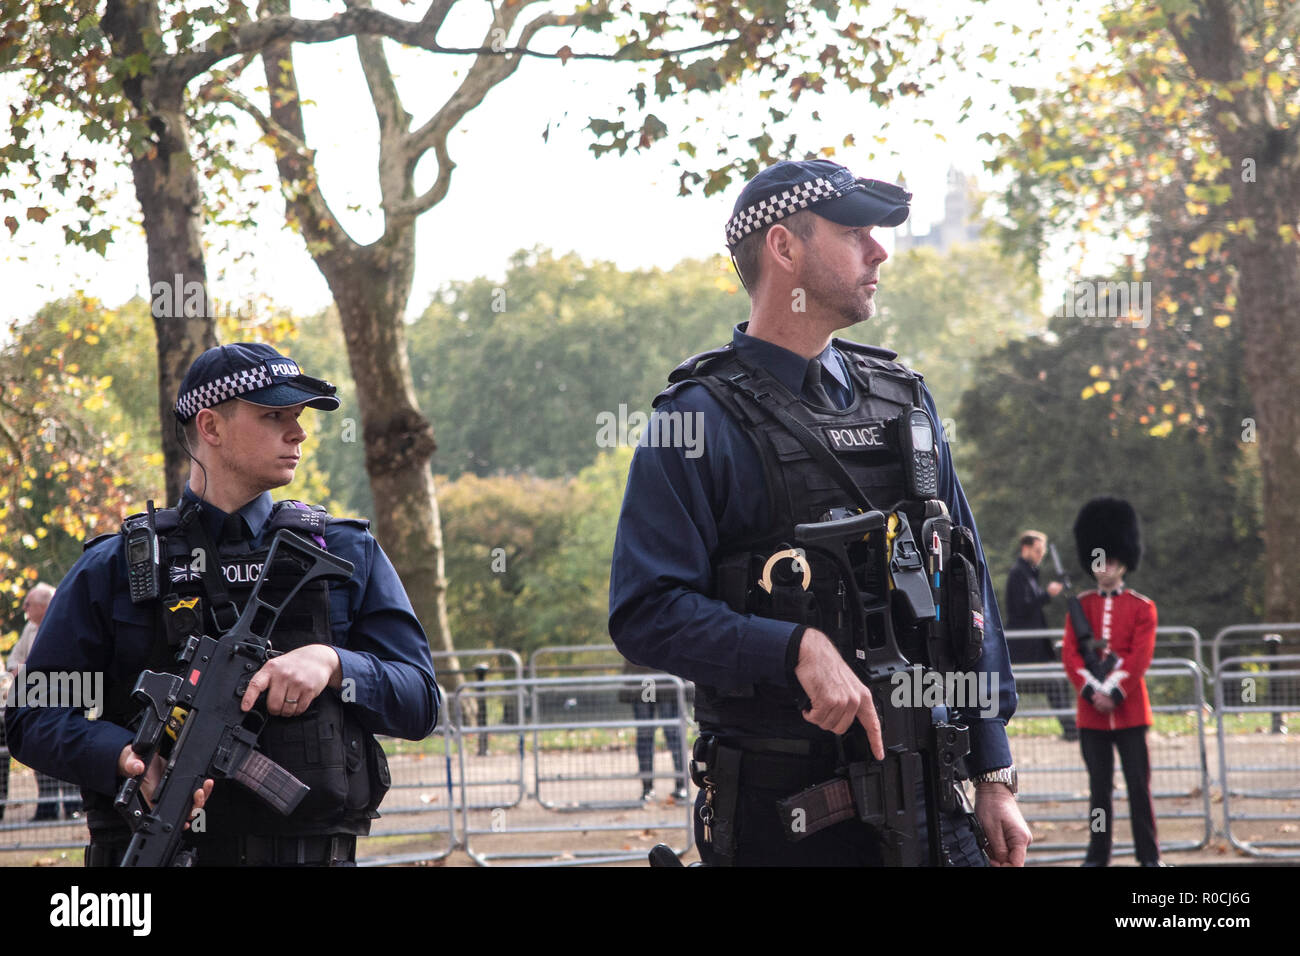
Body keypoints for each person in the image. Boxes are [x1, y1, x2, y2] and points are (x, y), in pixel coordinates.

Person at [609, 159, 1031, 866]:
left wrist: (993, 774)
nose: (880, 250)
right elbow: (644, 613)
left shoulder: (908, 401)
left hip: (935, 802)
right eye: (855, 231)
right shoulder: (695, 420)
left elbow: (969, 586)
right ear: (784, 247)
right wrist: (791, 648)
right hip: (785, 819)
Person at [4, 342, 440, 866]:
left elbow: (420, 701)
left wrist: (333, 664)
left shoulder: (345, 551)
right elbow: (32, 717)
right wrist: (126, 759)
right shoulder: (116, 566)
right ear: (210, 427)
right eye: (274, 415)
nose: (298, 432)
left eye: (297, 417)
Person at [1061, 496, 1160, 866]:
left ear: (1124, 562)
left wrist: (1113, 690)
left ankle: (1149, 857)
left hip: (1130, 711)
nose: (1105, 568)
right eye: (1100, 561)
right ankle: (1097, 856)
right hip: (1091, 716)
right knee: (1099, 792)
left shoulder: (1141, 607)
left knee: (1139, 788)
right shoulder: (1081, 606)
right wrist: (1093, 689)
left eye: (1113, 561)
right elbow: (1071, 655)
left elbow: (1139, 657)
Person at [4, 584, 81, 820]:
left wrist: (30, 670)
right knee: (42, 752)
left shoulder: (68, 624)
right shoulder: (30, 629)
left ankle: (72, 807)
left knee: (67, 748)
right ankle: (46, 809)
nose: (24, 607)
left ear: (44, 605)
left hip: (67, 697)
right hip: (37, 699)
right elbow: (13, 664)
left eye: (29, 603)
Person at [1004, 531, 1075, 739]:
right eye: (1037, 551)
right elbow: (1021, 608)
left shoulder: (1028, 574)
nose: (1040, 555)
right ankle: (1071, 730)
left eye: (1042, 551)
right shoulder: (1018, 574)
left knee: (1059, 681)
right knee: (1055, 682)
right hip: (1025, 649)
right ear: (1025, 549)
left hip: (1034, 646)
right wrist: (1047, 595)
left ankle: (1071, 729)